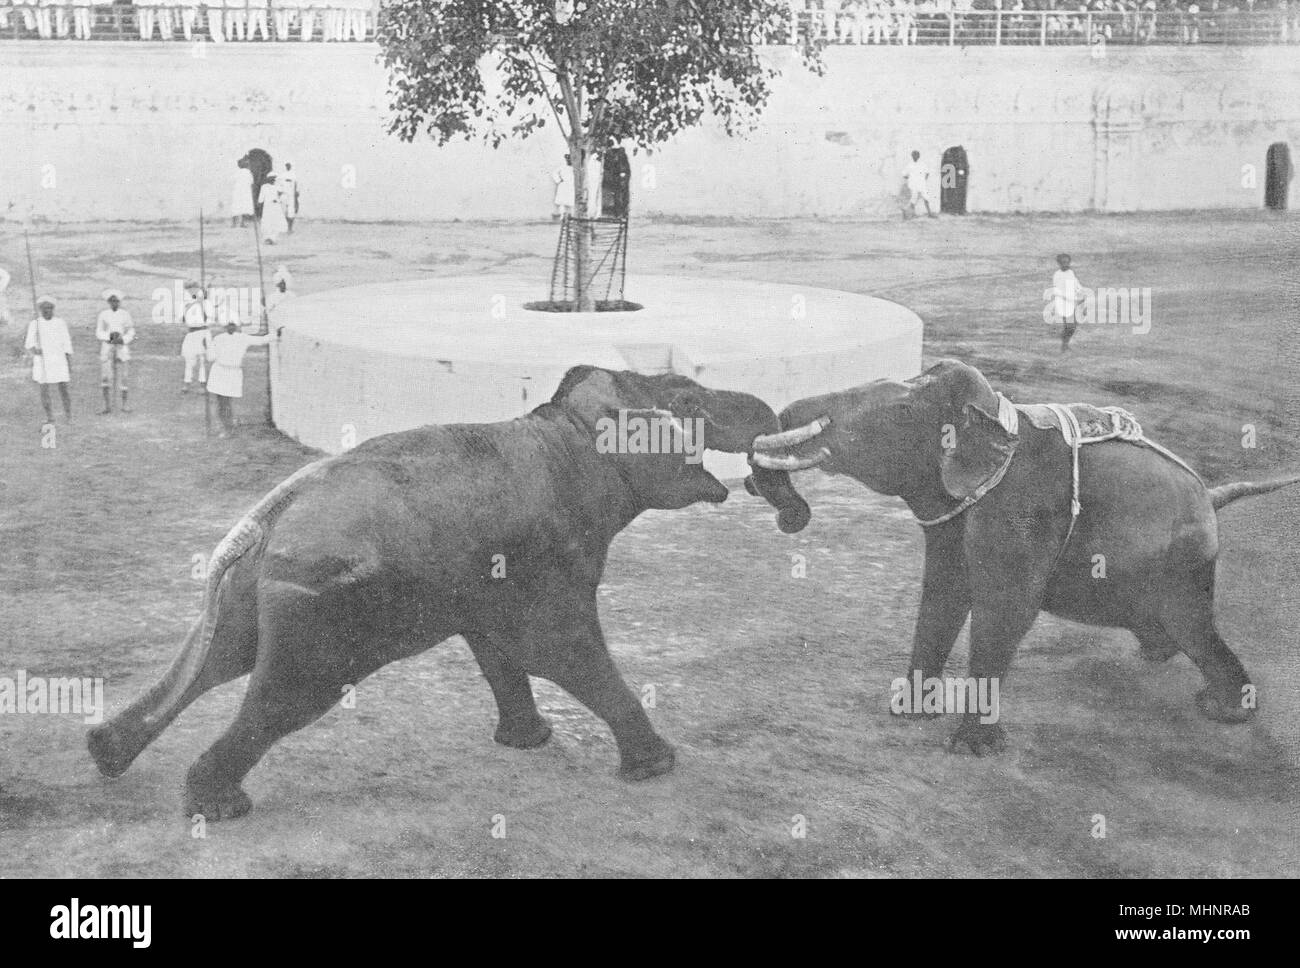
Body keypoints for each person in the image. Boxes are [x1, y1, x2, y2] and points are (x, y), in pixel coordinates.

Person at [206, 321, 273, 436]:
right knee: (222, 401)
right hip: (220, 371)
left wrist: (276, 334)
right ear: (225, 327)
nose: (231, 328)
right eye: (228, 325)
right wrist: (207, 346)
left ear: (236, 326)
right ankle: (226, 427)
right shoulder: (218, 339)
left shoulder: (243, 338)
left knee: (227, 402)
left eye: (233, 325)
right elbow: (210, 357)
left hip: (233, 373)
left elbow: (261, 340)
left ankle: (229, 427)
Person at [26, 297, 74, 426]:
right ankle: (50, 417)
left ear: (53, 309)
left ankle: (68, 416)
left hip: (58, 359)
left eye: (49, 308)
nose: (46, 311)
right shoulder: (35, 323)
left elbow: (67, 343)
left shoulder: (60, 323)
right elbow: (29, 343)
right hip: (43, 361)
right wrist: (36, 350)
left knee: (64, 388)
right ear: (40, 310)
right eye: (44, 308)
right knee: (44, 389)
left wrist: (69, 361)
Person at [96, 288, 135, 413]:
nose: (114, 303)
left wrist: (123, 339)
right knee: (106, 377)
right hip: (107, 347)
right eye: (111, 301)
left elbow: (131, 330)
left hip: (121, 347)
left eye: (116, 301)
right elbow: (99, 331)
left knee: (124, 377)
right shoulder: (103, 314)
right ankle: (106, 406)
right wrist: (109, 337)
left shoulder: (125, 314)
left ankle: (124, 405)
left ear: (119, 301)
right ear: (108, 302)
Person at [180, 282, 212, 392]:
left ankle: (202, 384)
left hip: (202, 332)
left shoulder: (206, 304)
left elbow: (208, 319)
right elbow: (183, 319)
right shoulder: (186, 304)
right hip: (191, 334)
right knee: (189, 359)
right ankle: (187, 383)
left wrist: (203, 301)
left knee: (202, 360)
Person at [1052, 253, 1082, 352]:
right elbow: (1058, 290)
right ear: (1059, 264)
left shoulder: (1070, 272)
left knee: (1073, 325)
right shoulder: (1057, 275)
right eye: (1063, 263)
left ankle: (1065, 343)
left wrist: (1081, 294)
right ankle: (1064, 344)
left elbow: (1076, 284)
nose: (1066, 264)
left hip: (1072, 302)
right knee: (1070, 326)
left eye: (1067, 262)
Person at [902, 149, 937, 219]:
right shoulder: (909, 165)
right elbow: (904, 175)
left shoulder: (922, 164)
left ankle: (929, 213)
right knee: (913, 199)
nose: (915, 157)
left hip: (921, 184)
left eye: (916, 155)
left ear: (919, 156)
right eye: (913, 155)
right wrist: (911, 179)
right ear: (912, 156)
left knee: (926, 198)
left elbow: (927, 173)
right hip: (913, 185)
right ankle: (912, 214)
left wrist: (923, 180)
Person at [259, 173, 289, 243]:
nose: (273, 180)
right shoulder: (264, 187)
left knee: (275, 222)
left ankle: (273, 239)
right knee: (267, 222)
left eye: (274, 178)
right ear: (268, 179)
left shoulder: (277, 187)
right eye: (271, 178)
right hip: (267, 207)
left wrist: (279, 199)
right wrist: (259, 208)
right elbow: (261, 199)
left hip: (276, 207)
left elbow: (282, 196)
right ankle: (267, 238)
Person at [231, 160, 255, 227]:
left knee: (236, 207)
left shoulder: (237, 172)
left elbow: (233, 181)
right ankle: (242, 223)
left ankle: (234, 224)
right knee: (244, 207)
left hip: (238, 191)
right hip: (245, 191)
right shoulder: (248, 172)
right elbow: (251, 182)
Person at [552, 154, 574, 220]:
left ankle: (572, 216)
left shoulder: (574, 167)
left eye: (570, 159)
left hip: (572, 186)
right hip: (564, 186)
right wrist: (559, 180)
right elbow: (554, 173)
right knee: (562, 202)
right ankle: (562, 216)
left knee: (572, 201)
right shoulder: (562, 167)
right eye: (567, 159)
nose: (569, 160)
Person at [279, 162, 300, 232]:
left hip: (291, 195)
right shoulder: (282, 175)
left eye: (289, 166)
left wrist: (296, 192)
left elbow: (296, 184)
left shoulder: (293, 175)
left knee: (291, 212)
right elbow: (279, 185)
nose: (288, 167)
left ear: (290, 167)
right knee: (283, 211)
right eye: (287, 166)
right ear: (285, 166)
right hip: (284, 195)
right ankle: (284, 227)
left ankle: (290, 228)